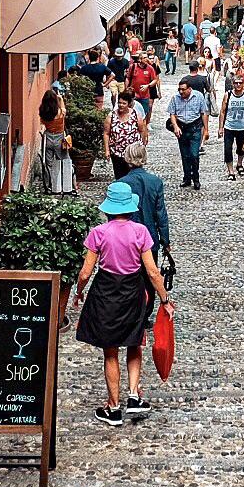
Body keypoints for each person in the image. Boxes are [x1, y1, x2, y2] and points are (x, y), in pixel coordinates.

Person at [73, 181, 174, 427]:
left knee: (110, 351)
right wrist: (165, 300)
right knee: (134, 343)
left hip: (105, 293)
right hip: (133, 292)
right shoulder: (141, 232)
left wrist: (79, 292)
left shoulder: (98, 233)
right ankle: (134, 396)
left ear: (109, 208)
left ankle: (114, 408)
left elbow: (85, 272)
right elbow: (152, 272)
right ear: (130, 207)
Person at [117, 142, 169, 262]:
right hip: (150, 236)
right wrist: (165, 241)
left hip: (126, 238)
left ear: (127, 158)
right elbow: (161, 215)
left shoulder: (120, 183)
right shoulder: (155, 182)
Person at [27, 87, 75, 195]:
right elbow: (64, 110)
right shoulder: (60, 112)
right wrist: (60, 99)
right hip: (60, 139)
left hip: (48, 138)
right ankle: (65, 185)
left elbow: (42, 123)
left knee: (48, 164)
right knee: (64, 161)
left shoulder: (43, 112)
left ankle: (49, 185)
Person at [166, 78, 210, 190]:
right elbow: (172, 113)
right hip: (182, 129)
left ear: (189, 89)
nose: (181, 92)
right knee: (185, 155)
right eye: (179, 89)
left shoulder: (198, 96)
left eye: (183, 89)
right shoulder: (175, 98)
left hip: (195, 128)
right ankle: (187, 178)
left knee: (194, 155)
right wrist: (175, 126)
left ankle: (196, 178)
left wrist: (206, 129)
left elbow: (203, 113)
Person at [107, 86, 148, 180]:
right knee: (119, 175)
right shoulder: (112, 115)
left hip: (132, 152)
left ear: (129, 104)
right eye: (119, 103)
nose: (121, 105)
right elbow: (106, 133)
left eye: (124, 103)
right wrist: (107, 150)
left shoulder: (136, 114)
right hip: (117, 151)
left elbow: (142, 129)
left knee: (133, 174)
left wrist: (142, 144)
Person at [220, 75, 244, 180]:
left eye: (240, 83)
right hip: (229, 127)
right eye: (236, 83)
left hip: (243, 127)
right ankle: (231, 171)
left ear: (243, 84)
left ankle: (239, 164)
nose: (238, 85)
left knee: (241, 148)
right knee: (227, 149)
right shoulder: (228, 95)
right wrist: (220, 127)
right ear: (232, 84)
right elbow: (223, 111)